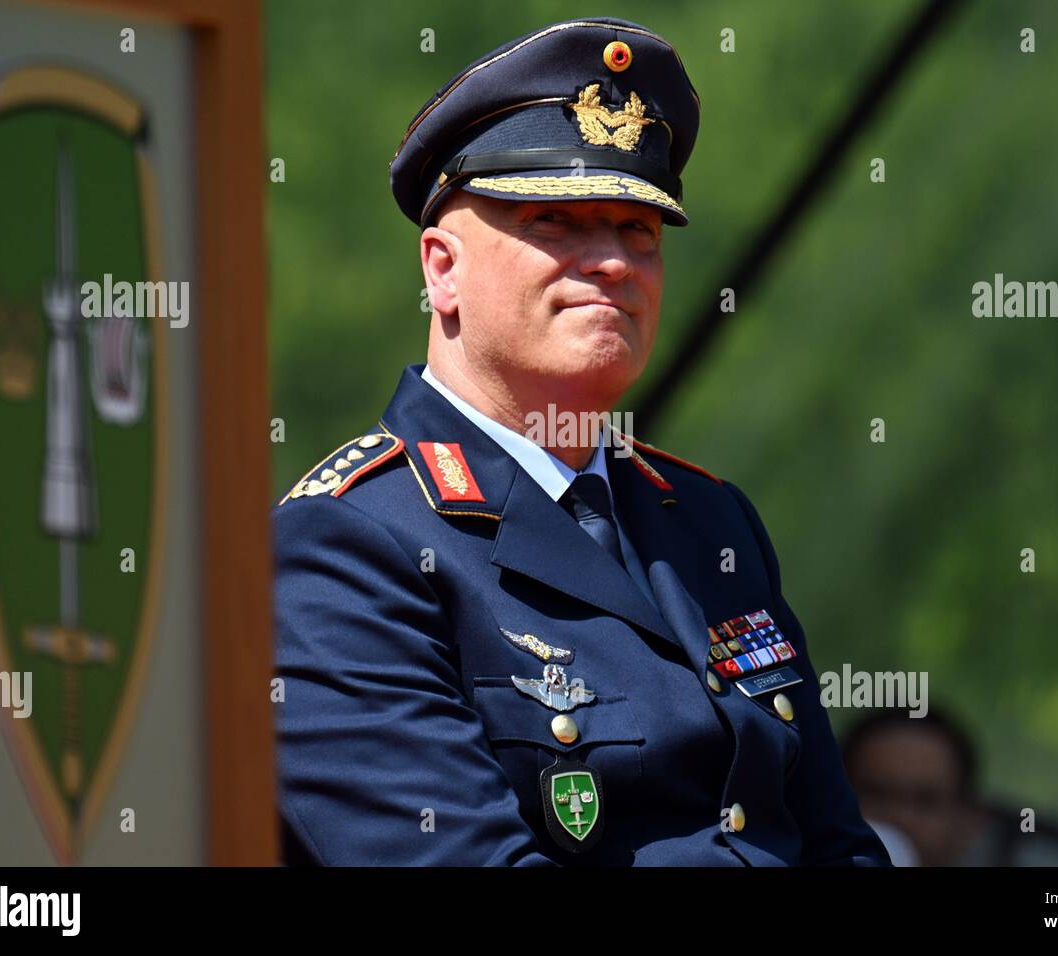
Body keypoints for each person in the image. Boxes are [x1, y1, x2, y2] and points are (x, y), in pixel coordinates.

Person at [273, 16, 889, 867]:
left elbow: (837, 847)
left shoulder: (711, 521)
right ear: (442, 269)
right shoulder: (345, 544)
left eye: (638, 230)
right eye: (558, 221)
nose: (613, 262)